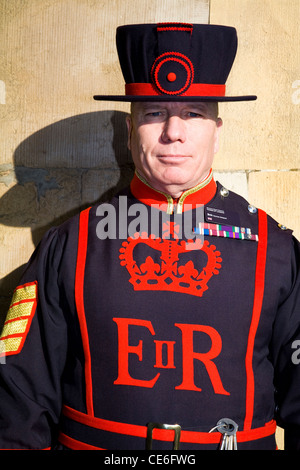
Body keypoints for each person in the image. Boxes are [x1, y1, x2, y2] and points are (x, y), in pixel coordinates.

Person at [0, 22, 299, 451]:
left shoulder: (277, 252)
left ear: (218, 130)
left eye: (193, 113)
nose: (172, 132)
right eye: (154, 112)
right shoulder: (71, 245)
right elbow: (17, 404)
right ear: (129, 132)